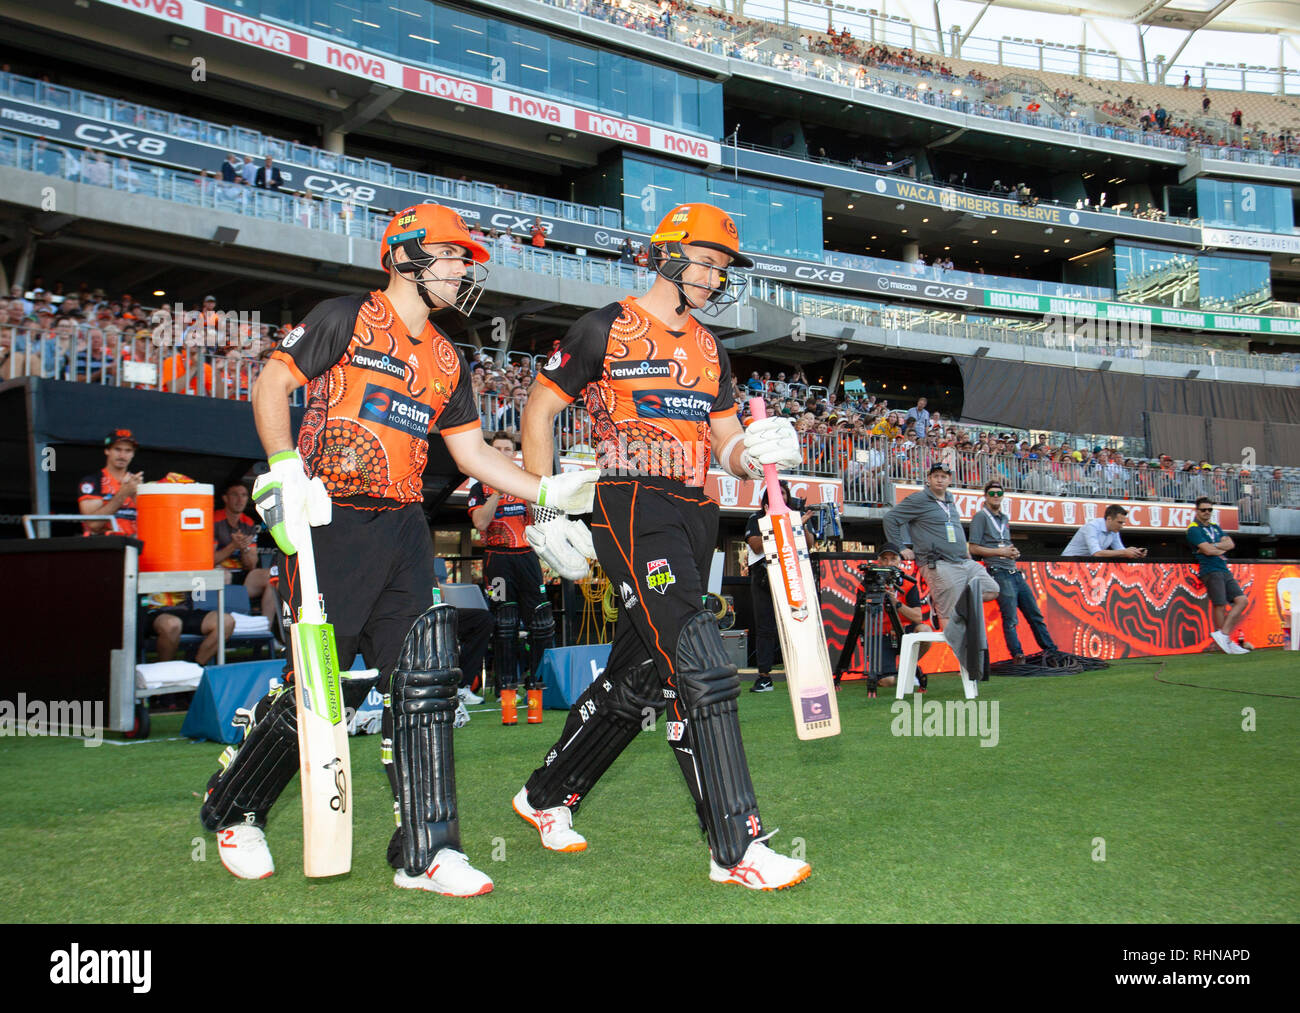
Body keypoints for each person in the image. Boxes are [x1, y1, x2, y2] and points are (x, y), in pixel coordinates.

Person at [197, 203, 598, 894]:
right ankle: (234, 809)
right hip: (329, 523)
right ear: (406, 254)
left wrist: (548, 492)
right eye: (451, 255)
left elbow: (471, 453)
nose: (463, 269)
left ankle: (427, 848)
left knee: (425, 683)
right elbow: (273, 382)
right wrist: (283, 468)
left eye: (465, 258)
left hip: (404, 527)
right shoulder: (345, 316)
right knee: (321, 690)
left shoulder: (447, 357)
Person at [511, 202, 812, 890]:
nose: (715, 276)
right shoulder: (605, 326)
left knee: (644, 676)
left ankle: (547, 793)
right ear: (667, 254)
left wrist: (757, 448)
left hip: (694, 510)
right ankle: (736, 845)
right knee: (698, 664)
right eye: (706, 261)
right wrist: (546, 500)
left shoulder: (712, 349)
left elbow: (727, 445)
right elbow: (540, 408)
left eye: (723, 267)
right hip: (630, 502)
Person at [882, 463, 998, 688]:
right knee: (947, 612)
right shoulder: (919, 499)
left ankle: (963, 614)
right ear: (928, 479)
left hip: (962, 561)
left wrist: (965, 552)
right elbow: (891, 519)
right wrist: (900, 547)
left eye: (944, 477)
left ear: (949, 480)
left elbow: (952, 527)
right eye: (936, 476)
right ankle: (965, 662)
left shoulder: (950, 499)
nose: (940, 480)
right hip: (938, 564)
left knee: (992, 588)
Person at [466, 431, 554, 724]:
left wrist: (528, 494)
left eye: (507, 449)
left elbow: (544, 515)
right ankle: (507, 699)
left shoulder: (524, 478)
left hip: (527, 559)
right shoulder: (479, 485)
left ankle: (536, 694)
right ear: (490, 453)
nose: (503, 453)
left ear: (514, 454)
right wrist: (495, 492)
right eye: (498, 449)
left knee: (542, 624)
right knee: (504, 626)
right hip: (498, 561)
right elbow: (480, 522)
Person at [968, 481, 1058, 662]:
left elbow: (1003, 543)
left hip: (1012, 570)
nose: (995, 496)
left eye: (998, 493)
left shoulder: (1004, 518)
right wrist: (1000, 552)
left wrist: (1012, 551)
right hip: (997, 570)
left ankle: (1051, 650)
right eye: (992, 493)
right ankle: (1017, 655)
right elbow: (974, 548)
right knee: (1011, 618)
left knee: (1034, 614)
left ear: (1003, 495)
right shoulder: (980, 517)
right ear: (985, 496)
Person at [744, 480, 815, 693]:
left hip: (790, 572)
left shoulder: (797, 516)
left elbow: (810, 543)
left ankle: (802, 674)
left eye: (783, 493)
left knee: (796, 623)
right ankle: (764, 677)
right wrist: (782, 527)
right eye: (776, 493)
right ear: (767, 497)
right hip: (763, 574)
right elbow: (756, 545)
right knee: (765, 627)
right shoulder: (757, 518)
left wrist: (798, 524)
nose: (780, 497)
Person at [1187, 497, 1249, 655]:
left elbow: (1230, 545)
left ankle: (1224, 635)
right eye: (1203, 510)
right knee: (1219, 604)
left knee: (1242, 600)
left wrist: (1214, 546)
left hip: (1222, 568)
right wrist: (1218, 548)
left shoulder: (1215, 526)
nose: (1207, 512)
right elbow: (1207, 551)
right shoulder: (1193, 529)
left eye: (1209, 510)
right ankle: (1225, 641)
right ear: (1197, 511)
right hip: (1210, 569)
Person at [872, 543, 934, 690]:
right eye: (884, 559)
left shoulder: (909, 583)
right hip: (881, 634)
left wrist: (897, 604)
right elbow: (862, 622)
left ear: (900, 561)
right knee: (887, 682)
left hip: (904, 631)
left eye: (893, 559)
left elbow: (918, 617)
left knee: (925, 631)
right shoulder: (869, 584)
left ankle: (908, 667)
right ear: (878, 562)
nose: (889, 563)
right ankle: (887, 670)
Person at [78, 428, 142, 536]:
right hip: (105, 546)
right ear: (107, 450)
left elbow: (153, 520)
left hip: (136, 546)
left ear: (133, 454)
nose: (122, 456)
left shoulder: (137, 483)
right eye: (117, 449)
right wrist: (124, 493)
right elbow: (93, 524)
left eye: (128, 451)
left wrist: (138, 495)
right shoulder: (92, 482)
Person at [1060, 504, 1146, 558]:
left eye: (1122, 523)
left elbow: (1120, 551)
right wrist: (1124, 552)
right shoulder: (1092, 526)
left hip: (1085, 562)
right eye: (1119, 522)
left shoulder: (1114, 531)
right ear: (1109, 519)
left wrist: (1135, 553)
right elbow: (1097, 553)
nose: (1121, 526)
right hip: (1068, 562)